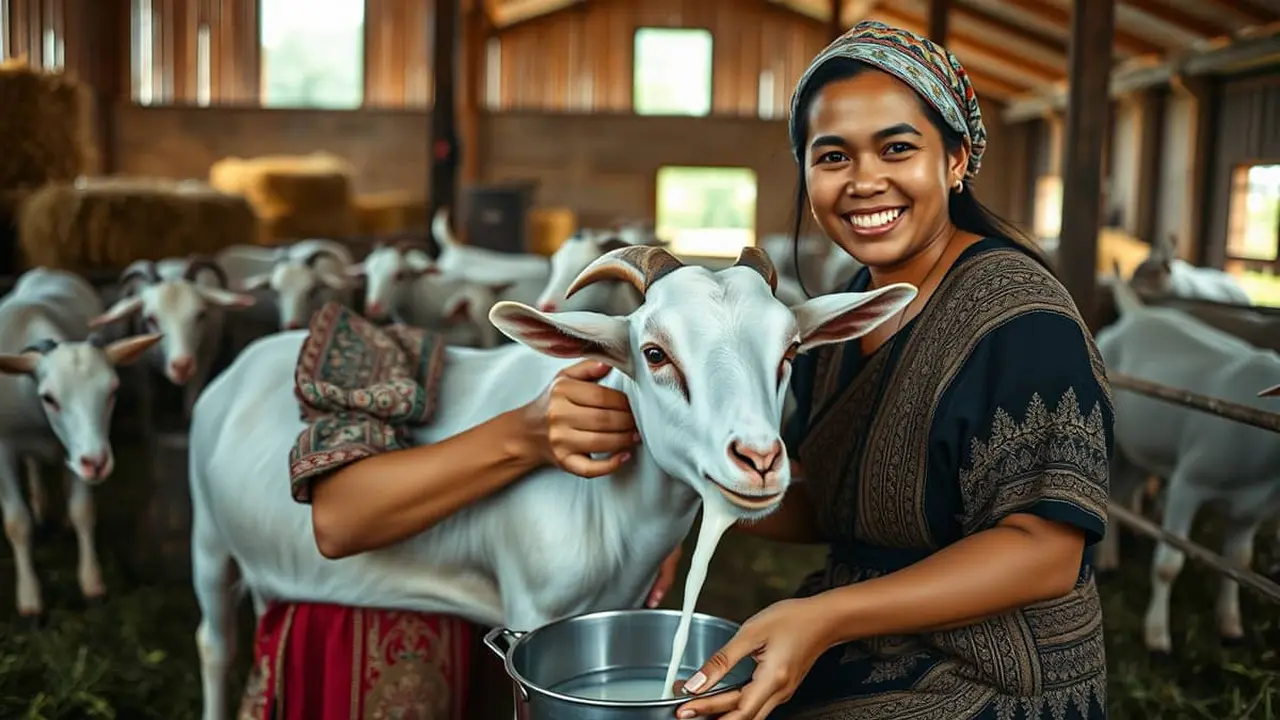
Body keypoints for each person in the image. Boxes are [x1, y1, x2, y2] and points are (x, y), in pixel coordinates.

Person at [672, 20, 1112, 720]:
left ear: (957, 160)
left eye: (897, 148)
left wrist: (824, 618)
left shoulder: (1022, 319)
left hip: (994, 675)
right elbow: (822, 502)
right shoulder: (847, 311)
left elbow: (1044, 550)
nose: (864, 181)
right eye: (833, 156)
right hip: (869, 640)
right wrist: (681, 476)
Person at [237, 300, 679, 719]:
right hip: (356, 624)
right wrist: (525, 435)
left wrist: (650, 507)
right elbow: (336, 524)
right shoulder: (358, 360)